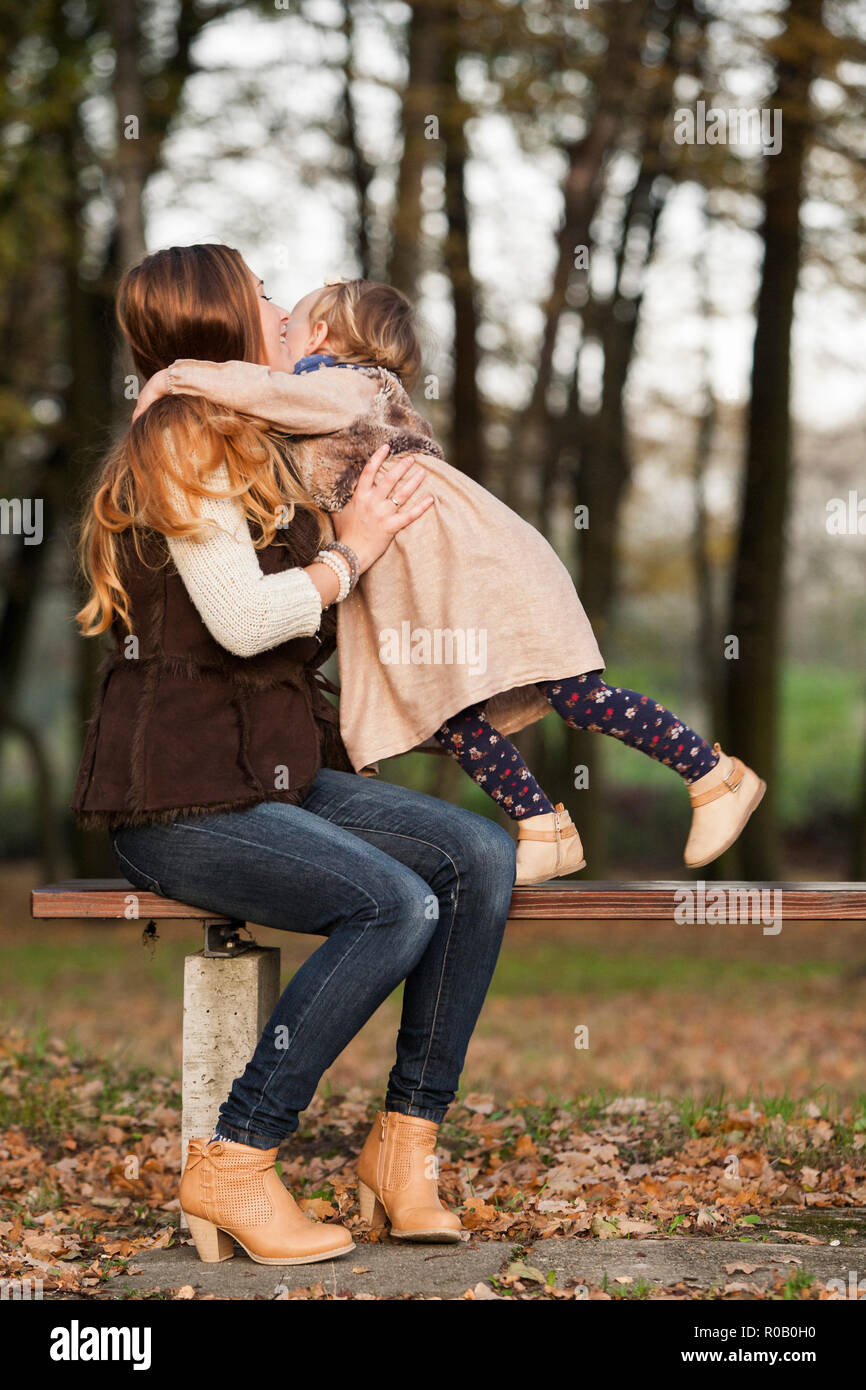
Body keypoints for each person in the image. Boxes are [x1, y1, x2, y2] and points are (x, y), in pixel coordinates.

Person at [70, 244, 517, 1265]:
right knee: (391, 902)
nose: (284, 308)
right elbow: (239, 618)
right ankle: (236, 1155)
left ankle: (404, 1146)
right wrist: (346, 553)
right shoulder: (180, 434)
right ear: (226, 314)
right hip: (177, 801)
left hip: (268, 773)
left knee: (475, 855)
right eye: (262, 292)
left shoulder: (259, 427)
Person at [135, 277, 766, 885]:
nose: (276, 327)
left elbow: (269, 395)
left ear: (320, 336)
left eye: (288, 319)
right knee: (450, 714)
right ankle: (542, 825)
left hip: (477, 568)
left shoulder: (349, 388)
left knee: (573, 693)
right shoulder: (316, 412)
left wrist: (175, 376)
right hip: (426, 585)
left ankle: (713, 774)